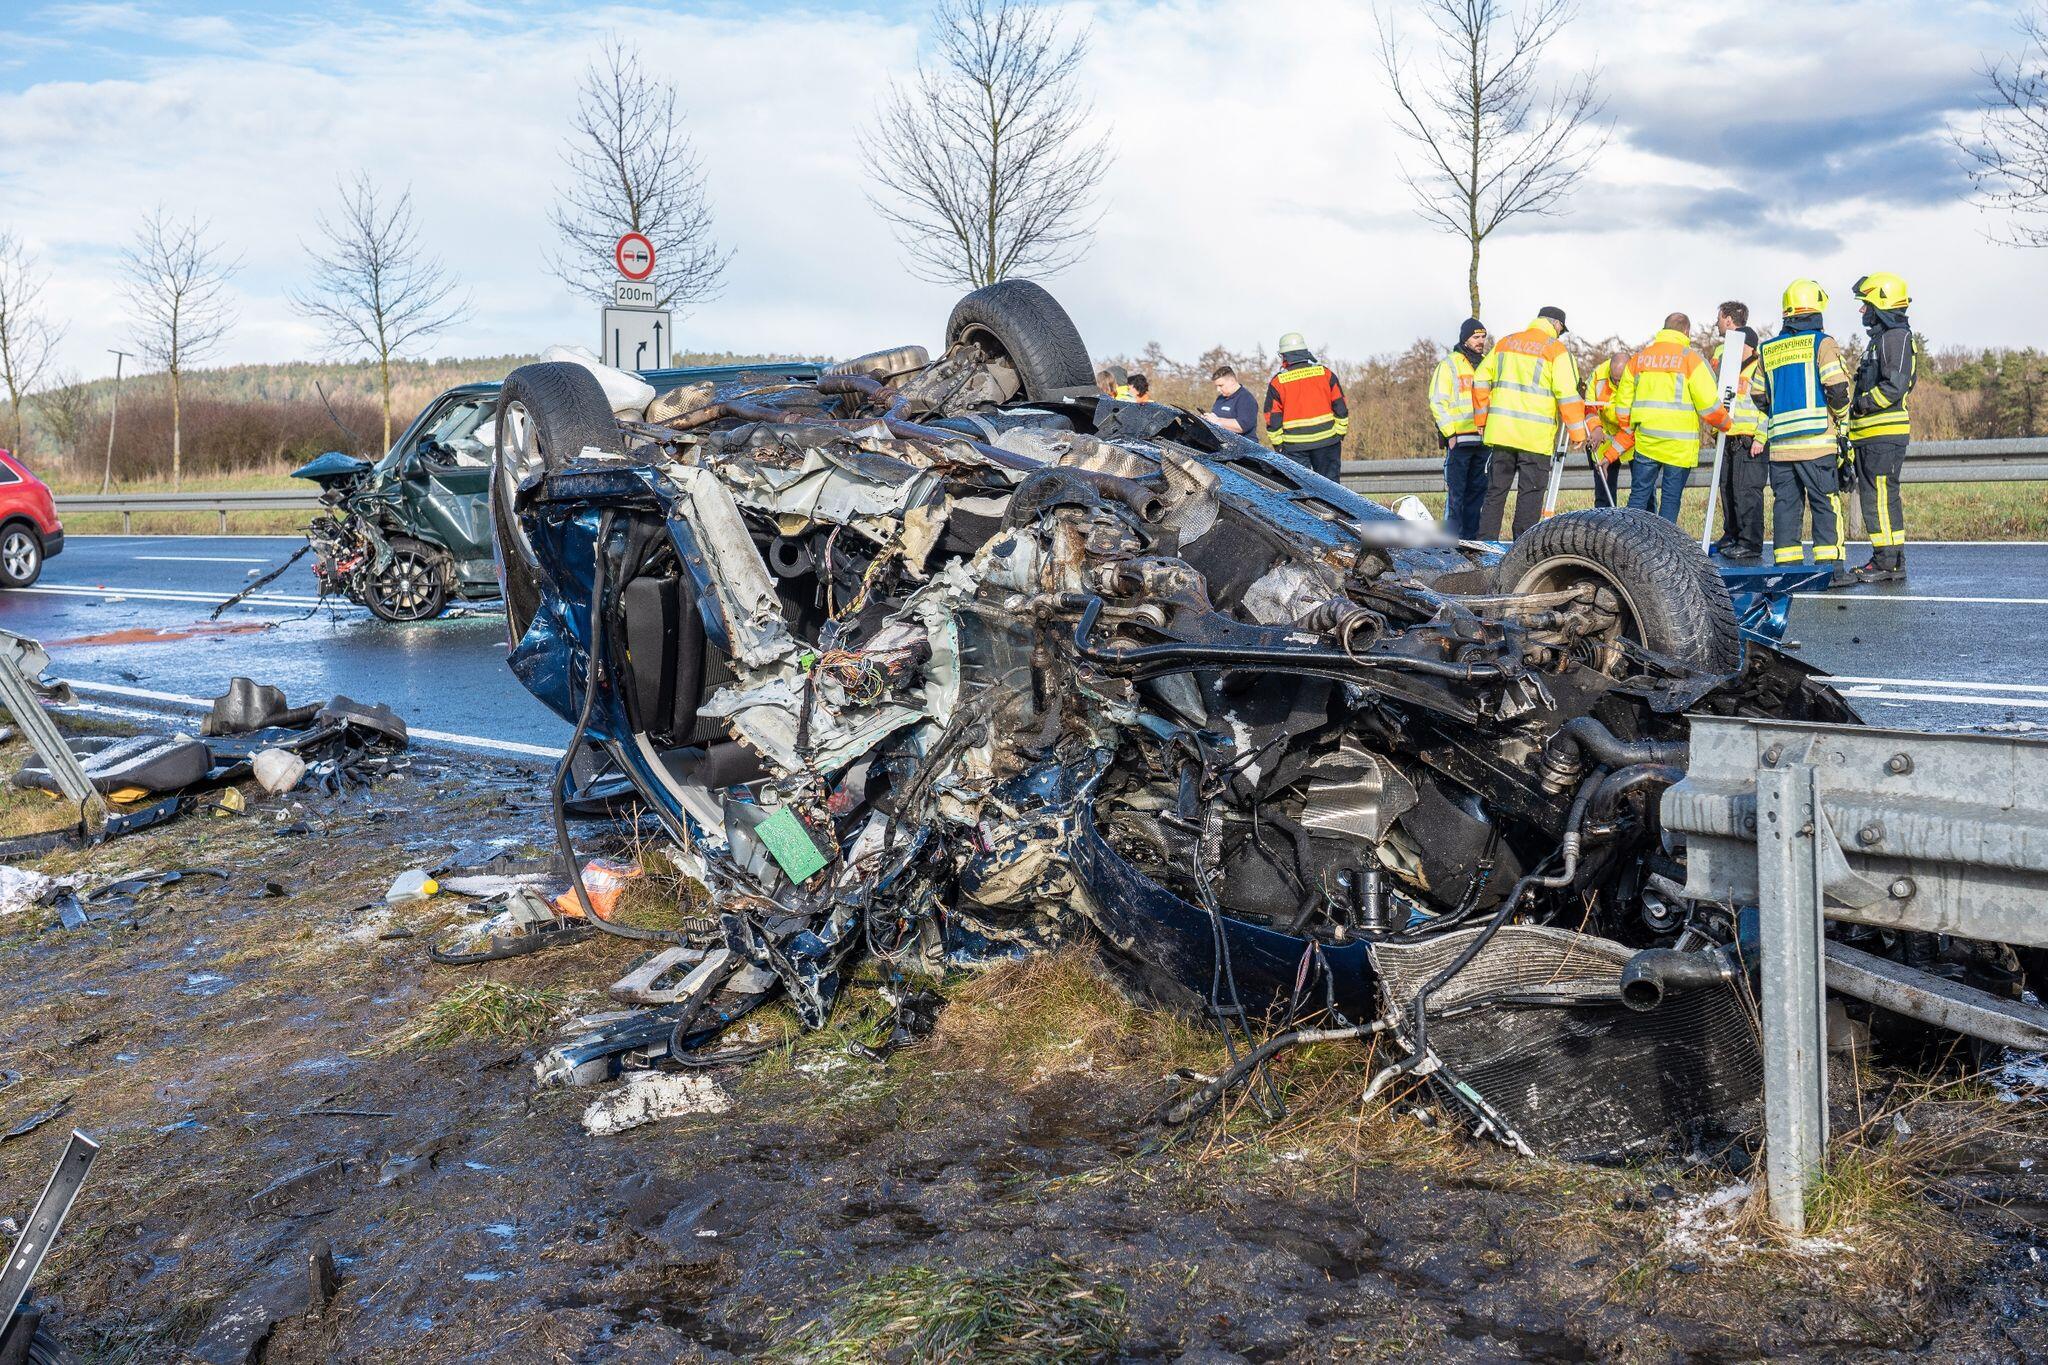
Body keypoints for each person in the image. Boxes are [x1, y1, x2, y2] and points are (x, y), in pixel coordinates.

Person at [1752, 279, 1852, 582]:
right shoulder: (1822, 343)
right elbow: (1837, 389)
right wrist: (1841, 417)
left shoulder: (1767, 349)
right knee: (1825, 504)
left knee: (1786, 507)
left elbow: (1758, 395)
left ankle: (1788, 572)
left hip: (1781, 447)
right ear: (1816, 309)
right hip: (1816, 443)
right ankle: (1830, 571)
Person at [1473, 306, 1585, 540]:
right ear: (1557, 325)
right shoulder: (1556, 350)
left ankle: (1484, 545)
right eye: (1561, 330)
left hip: (1502, 433)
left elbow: (1480, 379)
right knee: (1530, 496)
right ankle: (1522, 547)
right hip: (1534, 438)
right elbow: (1567, 393)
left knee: (1495, 493)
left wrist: (1481, 419)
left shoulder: (1505, 343)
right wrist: (1577, 432)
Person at [1613, 313, 1730, 522]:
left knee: (1638, 496)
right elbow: (1707, 403)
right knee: (1670, 499)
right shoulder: (1691, 359)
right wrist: (1725, 423)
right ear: (1686, 331)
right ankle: (1664, 542)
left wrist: (1629, 429)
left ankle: (1629, 540)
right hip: (1679, 446)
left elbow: (1622, 404)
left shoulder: (1640, 358)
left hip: (1647, 442)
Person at [1845, 272, 1917, 582]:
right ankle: (1887, 559)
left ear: (1881, 304)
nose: (1862, 310)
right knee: (1876, 499)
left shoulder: (1895, 337)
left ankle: (1888, 562)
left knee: (1882, 499)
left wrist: (1861, 404)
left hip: (1883, 437)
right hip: (1871, 437)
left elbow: (1894, 387)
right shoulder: (1882, 338)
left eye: (1866, 304)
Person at [1429, 318, 1490, 538]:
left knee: (1477, 497)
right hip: (1460, 441)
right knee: (1456, 497)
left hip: (1484, 441)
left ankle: (1470, 544)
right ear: (1465, 339)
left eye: (1483, 337)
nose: (1480, 341)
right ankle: (1451, 544)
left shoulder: (1487, 364)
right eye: (1476, 337)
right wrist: (1450, 434)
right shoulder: (1449, 365)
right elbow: (1438, 401)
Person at [1710, 326, 1767, 560]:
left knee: (1747, 493)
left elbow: (1767, 406)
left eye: (1739, 344)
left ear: (1750, 347)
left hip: (1749, 440)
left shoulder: (1759, 368)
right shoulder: (1728, 369)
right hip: (1728, 437)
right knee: (1728, 490)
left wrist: (1761, 437)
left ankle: (1750, 542)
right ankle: (1732, 535)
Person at [1264, 332, 1350, 479]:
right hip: (1328, 442)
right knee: (1330, 487)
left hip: (1294, 447)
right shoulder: (1325, 373)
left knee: (1299, 488)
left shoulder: (1278, 382)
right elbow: (1340, 406)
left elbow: (1272, 417)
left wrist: (1279, 445)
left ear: (1284, 357)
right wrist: (1340, 433)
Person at [1583, 348, 1632, 508]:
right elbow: (1588, 406)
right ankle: (1606, 522)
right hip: (1603, 437)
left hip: (1632, 438)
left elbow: (1635, 423)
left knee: (1643, 493)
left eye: (1621, 381)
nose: (1617, 384)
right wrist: (1596, 428)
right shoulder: (1598, 376)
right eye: (1614, 379)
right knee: (1604, 496)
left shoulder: (1639, 376)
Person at [1204, 365, 1258, 439]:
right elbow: (1215, 418)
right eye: (1217, 386)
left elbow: (1241, 426)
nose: (1218, 390)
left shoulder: (1246, 399)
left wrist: (1217, 421)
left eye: (1221, 385)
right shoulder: (1220, 399)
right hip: (1221, 443)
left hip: (1243, 444)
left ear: (1232, 381)